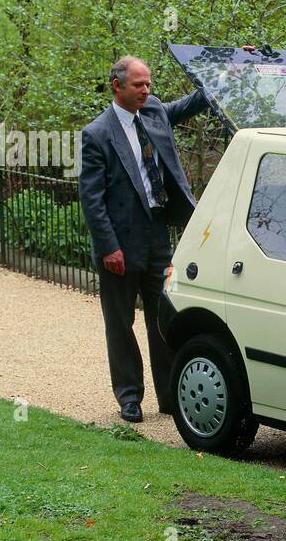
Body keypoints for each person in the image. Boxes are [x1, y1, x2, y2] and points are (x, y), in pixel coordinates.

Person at [78, 56, 209, 422]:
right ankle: (130, 397)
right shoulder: (97, 134)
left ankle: (169, 397)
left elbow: (192, 103)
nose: (147, 91)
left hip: (156, 234)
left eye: (148, 84)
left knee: (163, 319)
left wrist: (227, 72)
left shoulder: (152, 112)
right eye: (139, 85)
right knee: (120, 324)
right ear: (117, 86)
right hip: (120, 243)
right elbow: (91, 198)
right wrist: (109, 247)